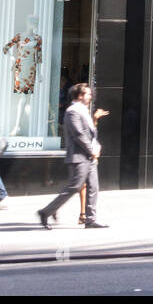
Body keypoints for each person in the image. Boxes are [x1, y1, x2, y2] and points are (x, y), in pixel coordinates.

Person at [38, 84, 107, 229]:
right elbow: (78, 135)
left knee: (93, 187)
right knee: (74, 187)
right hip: (79, 157)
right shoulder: (72, 111)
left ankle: (91, 219)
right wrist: (91, 150)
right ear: (79, 96)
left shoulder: (84, 111)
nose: (90, 96)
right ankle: (46, 212)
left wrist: (96, 147)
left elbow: (90, 133)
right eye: (87, 94)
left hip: (89, 156)